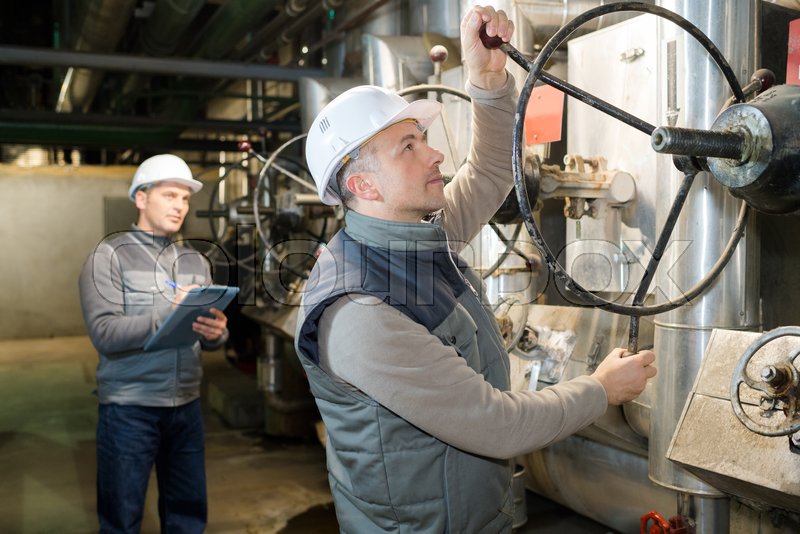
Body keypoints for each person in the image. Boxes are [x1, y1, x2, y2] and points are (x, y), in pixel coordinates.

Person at [295, 5, 657, 533]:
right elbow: (497, 425)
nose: (435, 154)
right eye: (409, 147)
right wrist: (601, 389)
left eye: (423, 139)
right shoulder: (358, 310)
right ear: (363, 186)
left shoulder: (419, 241)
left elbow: (489, 172)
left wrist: (487, 84)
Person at [78, 154, 230, 533]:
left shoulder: (195, 260)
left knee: (187, 515)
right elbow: (105, 334)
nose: (180, 206)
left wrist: (217, 334)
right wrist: (168, 315)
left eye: (185, 198)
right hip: (131, 409)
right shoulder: (107, 257)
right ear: (141, 198)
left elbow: (204, 334)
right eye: (170, 195)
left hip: (186, 407)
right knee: (121, 518)